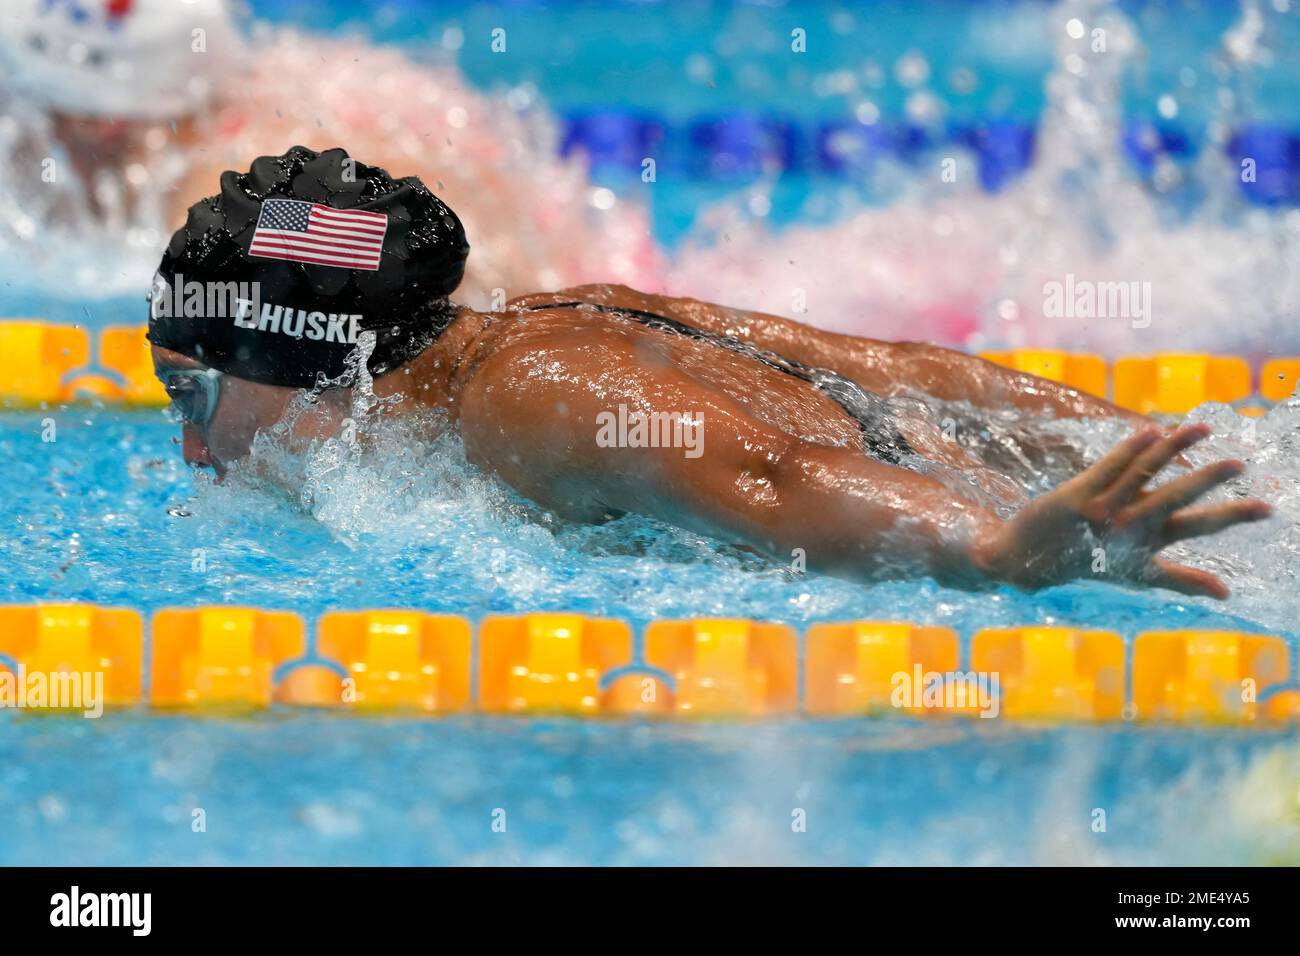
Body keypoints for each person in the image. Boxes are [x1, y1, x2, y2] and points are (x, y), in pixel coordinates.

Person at [148, 147, 1271, 598]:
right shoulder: (554, 315)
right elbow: (899, 370)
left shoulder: (530, 396)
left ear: (312, 362)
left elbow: (782, 477)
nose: (192, 448)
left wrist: (999, 547)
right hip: (1030, 475)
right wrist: (1165, 439)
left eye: (192, 394)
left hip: (989, 519)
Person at [0, 0, 661, 304]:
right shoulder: (266, 77)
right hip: (622, 268)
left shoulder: (227, 201)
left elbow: (422, 257)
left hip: (591, 314)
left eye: (23, 105)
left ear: (103, 123)